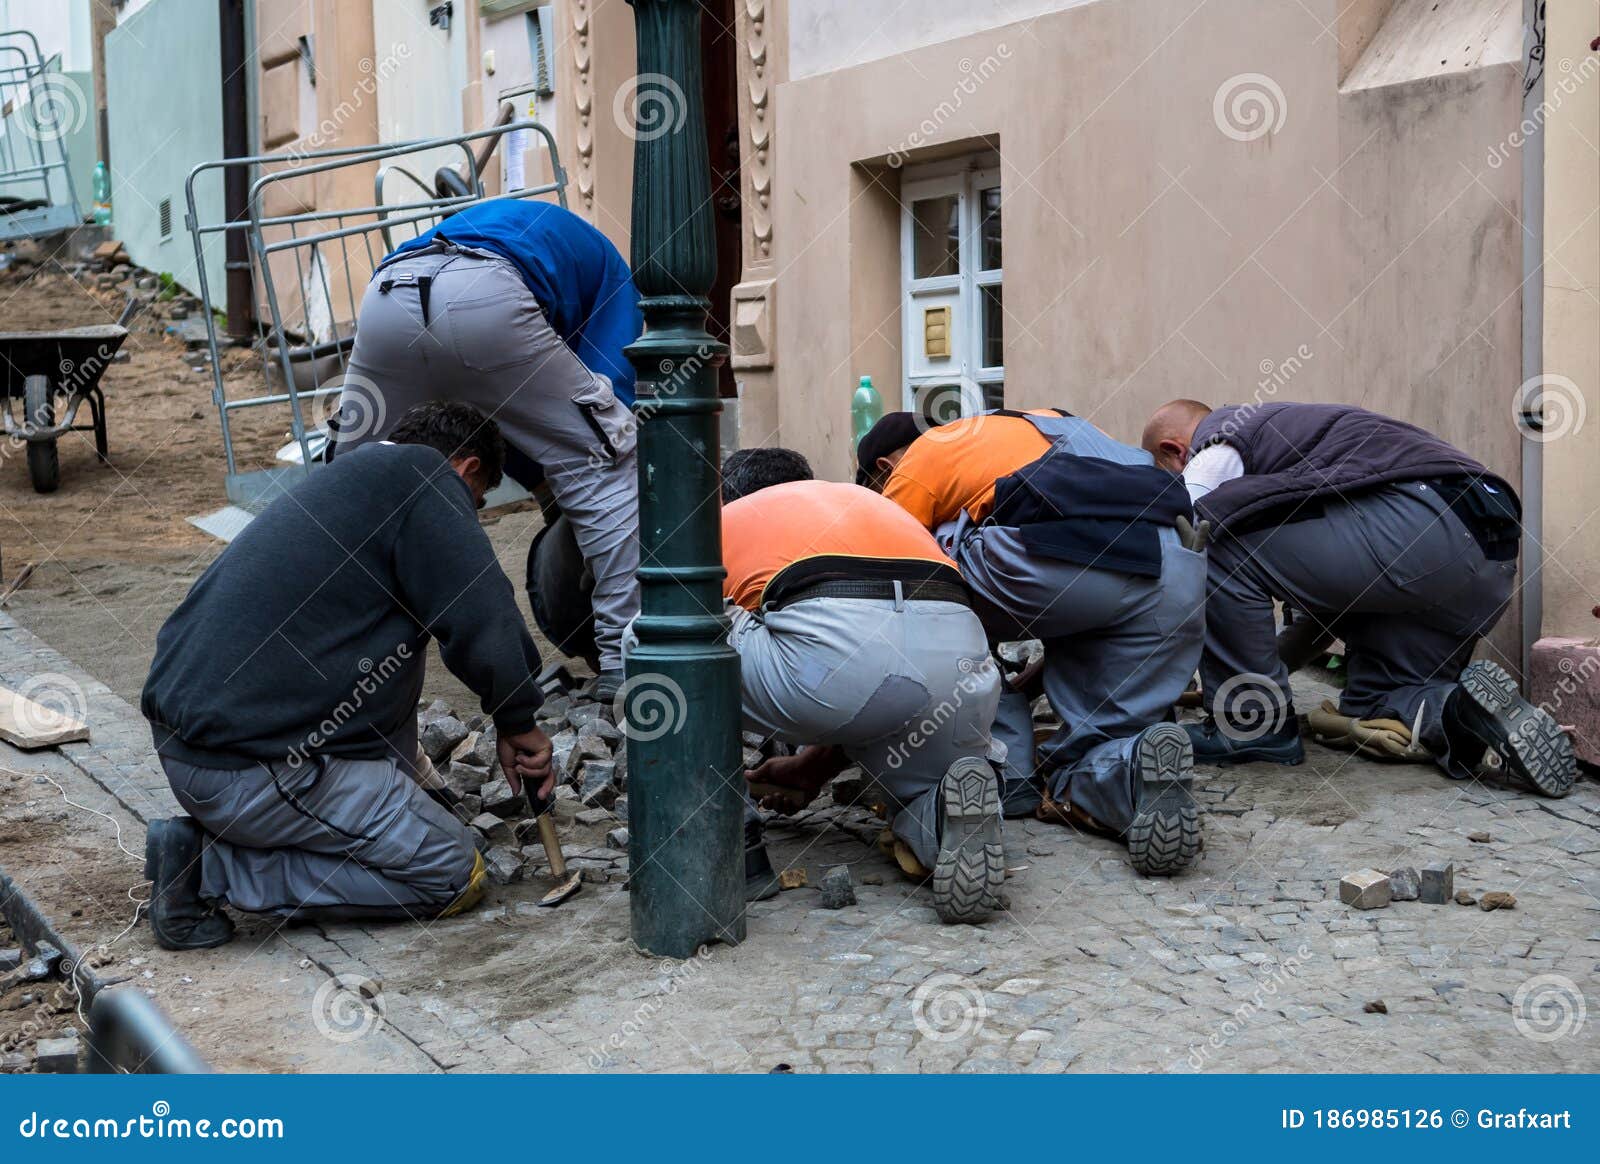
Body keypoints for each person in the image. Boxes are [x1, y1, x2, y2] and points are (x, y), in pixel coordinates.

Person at [140, 403, 555, 950]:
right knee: (455, 873)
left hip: (202, 749)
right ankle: (209, 869)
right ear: (466, 469)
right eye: (474, 503)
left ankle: (225, 846)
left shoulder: (352, 486)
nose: (467, 516)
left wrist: (420, 785)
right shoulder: (426, 479)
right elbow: (481, 608)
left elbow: (378, 669)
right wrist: (519, 719)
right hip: (251, 771)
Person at [1142, 398, 1574, 796]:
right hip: (1487, 554)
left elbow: (1185, 537)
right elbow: (1323, 610)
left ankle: (1250, 731)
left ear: (1175, 450)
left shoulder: (1219, 440)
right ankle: (1465, 713)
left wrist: (1158, 681)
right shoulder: (1299, 438)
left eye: (1164, 471)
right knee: (1374, 704)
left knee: (1214, 542)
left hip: (1420, 522)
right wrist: (1257, 673)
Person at [862, 410, 1206, 876]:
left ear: (884, 470)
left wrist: (813, 762)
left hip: (1042, 556)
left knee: (918, 590)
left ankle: (1003, 768)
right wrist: (1029, 681)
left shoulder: (922, 458)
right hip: (1174, 568)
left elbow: (875, 616)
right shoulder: (1068, 425)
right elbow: (1085, 600)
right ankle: (1129, 774)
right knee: (1105, 733)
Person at [331, 197, 643, 698]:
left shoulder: (542, 239)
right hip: (487, 298)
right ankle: (626, 666)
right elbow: (608, 407)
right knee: (609, 461)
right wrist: (570, 492)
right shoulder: (616, 283)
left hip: (388, 295)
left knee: (345, 492)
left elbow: (520, 415)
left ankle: (325, 668)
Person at [720, 448, 1005, 924]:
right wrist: (810, 768)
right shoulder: (865, 503)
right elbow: (880, 678)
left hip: (837, 655)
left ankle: (727, 833)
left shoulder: (730, 517)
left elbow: (684, 639)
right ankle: (939, 814)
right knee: (922, 781)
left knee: (656, 634)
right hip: (959, 653)